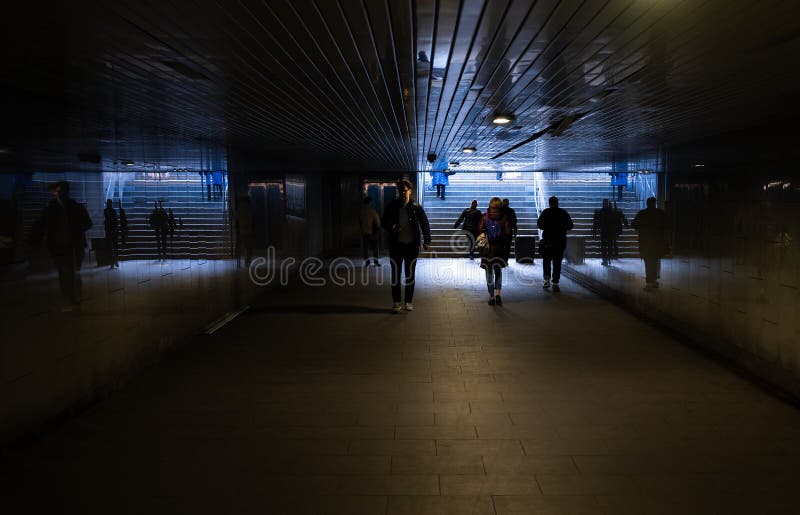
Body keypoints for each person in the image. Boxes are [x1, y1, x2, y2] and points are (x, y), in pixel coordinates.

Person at [30, 181, 92, 310]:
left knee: (69, 272)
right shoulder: (58, 208)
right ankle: (71, 297)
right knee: (66, 272)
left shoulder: (63, 207)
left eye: (60, 192)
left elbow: (87, 223)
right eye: (58, 192)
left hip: (69, 246)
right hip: (61, 246)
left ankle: (72, 297)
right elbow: (41, 225)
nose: (59, 194)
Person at [381, 179, 431, 312]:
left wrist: (427, 240)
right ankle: (396, 302)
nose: (403, 193)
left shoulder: (416, 206)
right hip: (396, 245)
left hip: (411, 245)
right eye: (401, 190)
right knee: (395, 274)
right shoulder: (392, 206)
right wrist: (392, 227)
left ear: (410, 190)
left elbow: (424, 223)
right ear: (398, 191)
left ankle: (408, 301)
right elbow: (383, 221)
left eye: (406, 190)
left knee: (410, 274)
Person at [478, 197, 512, 306]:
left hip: (488, 249)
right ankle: (498, 294)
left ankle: (491, 296)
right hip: (500, 249)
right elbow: (508, 233)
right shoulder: (504, 217)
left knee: (488, 272)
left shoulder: (485, 217)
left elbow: (480, 230)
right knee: (498, 271)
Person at [537, 196, 573, 293]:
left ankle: (546, 280)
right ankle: (555, 283)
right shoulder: (563, 213)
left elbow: (539, 224)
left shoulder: (545, 212)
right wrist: (561, 227)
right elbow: (570, 225)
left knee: (546, 261)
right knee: (557, 262)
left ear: (549, 203)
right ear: (558, 203)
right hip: (560, 241)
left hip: (548, 240)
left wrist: (548, 227)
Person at [631, 196, 669, 291]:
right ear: (654, 203)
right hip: (657, 242)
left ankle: (649, 282)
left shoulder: (642, 214)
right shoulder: (660, 213)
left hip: (645, 242)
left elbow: (635, 225)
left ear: (647, 204)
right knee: (655, 261)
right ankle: (654, 280)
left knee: (648, 262)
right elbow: (667, 225)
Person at [592, 199, 617, 266]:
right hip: (607, 231)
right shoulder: (609, 211)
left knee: (606, 246)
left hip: (606, 231)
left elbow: (597, 222)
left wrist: (595, 230)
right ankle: (607, 258)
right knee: (607, 246)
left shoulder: (602, 211)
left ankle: (606, 259)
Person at [359, 196, 381, 266]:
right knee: (375, 248)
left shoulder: (361, 210)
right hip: (372, 232)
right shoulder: (372, 210)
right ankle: (376, 262)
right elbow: (377, 222)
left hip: (364, 232)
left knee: (365, 248)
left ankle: (367, 262)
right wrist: (377, 228)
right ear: (370, 202)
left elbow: (360, 221)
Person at [235, 195, 254, 267]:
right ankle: (247, 262)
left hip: (241, 230)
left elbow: (236, 217)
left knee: (239, 247)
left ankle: (238, 261)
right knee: (249, 248)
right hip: (248, 230)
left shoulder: (240, 208)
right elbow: (251, 218)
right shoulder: (249, 208)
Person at [103, 199, 120, 268]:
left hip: (110, 231)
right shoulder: (112, 211)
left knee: (111, 247)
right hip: (111, 231)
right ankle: (114, 261)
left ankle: (113, 262)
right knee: (113, 247)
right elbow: (115, 222)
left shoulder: (107, 211)